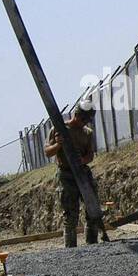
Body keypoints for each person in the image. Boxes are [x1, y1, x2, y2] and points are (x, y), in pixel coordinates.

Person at [44, 95, 99, 248]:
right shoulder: (58, 129)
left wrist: (82, 161)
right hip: (66, 175)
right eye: (83, 119)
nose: (84, 123)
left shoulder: (87, 133)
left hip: (82, 173)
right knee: (70, 214)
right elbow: (48, 152)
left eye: (87, 121)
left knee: (92, 209)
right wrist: (58, 145)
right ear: (76, 115)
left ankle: (93, 244)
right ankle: (70, 249)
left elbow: (90, 155)